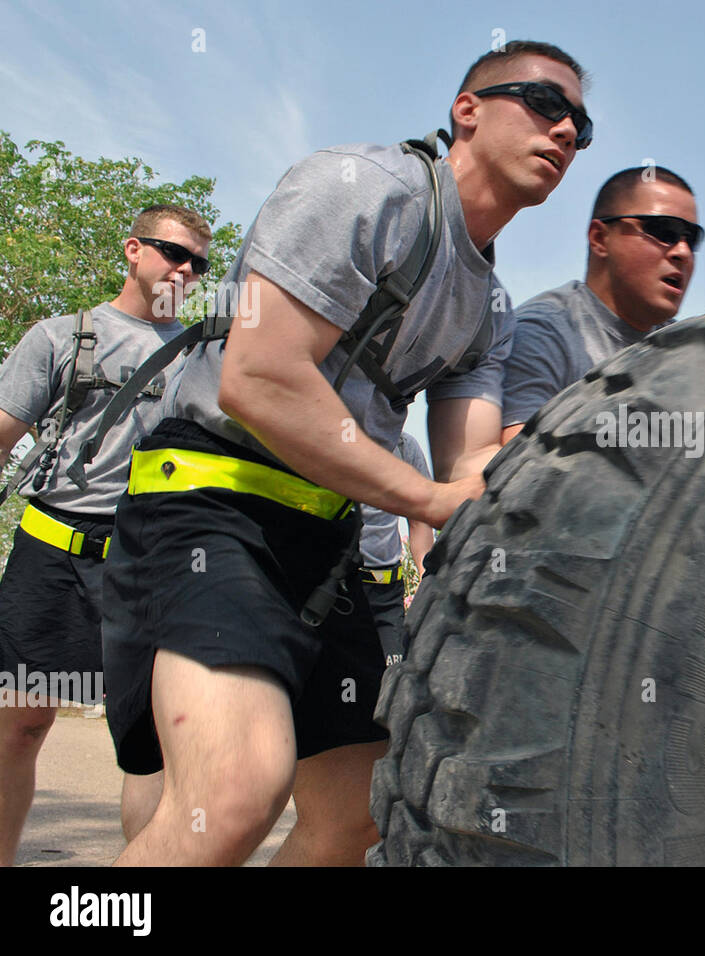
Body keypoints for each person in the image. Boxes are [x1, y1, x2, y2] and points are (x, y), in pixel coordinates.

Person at [100, 39, 591, 866]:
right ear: (467, 109)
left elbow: (463, 469)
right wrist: (428, 501)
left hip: (330, 543)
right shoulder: (364, 190)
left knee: (357, 811)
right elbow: (260, 379)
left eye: (581, 122)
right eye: (544, 103)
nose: (566, 130)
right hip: (212, 504)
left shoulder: (491, 307)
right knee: (231, 796)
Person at [0, 204, 210, 866]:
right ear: (133, 249)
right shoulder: (62, 336)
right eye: (173, 253)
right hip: (52, 554)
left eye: (199, 264)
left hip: (152, 563)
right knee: (20, 727)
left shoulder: (204, 356)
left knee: (146, 746)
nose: (185, 270)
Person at [497, 166, 703, 445]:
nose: (682, 252)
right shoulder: (543, 332)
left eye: (691, 239)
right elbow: (518, 472)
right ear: (599, 238)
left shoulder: (689, 352)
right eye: (663, 231)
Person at [357, 432, 434, 668]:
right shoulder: (339, 435)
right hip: (342, 587)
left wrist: (424, 577)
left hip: (388, 592)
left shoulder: (404, 445)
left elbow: (420, 519)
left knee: (392, 674)